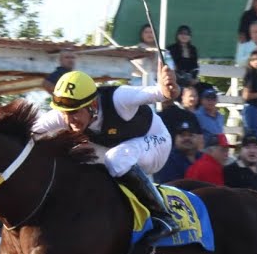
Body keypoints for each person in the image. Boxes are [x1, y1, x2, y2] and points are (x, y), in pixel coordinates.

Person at [35, 66, 181, 240]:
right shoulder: (64, 116)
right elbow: (29, 131)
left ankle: (164, 217)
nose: (69, 119)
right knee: (76, 157)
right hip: (119, 148)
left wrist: (169, 88)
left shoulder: (119, 98)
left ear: (93, 104)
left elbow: (161, 93)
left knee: (116, 158)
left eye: (74, 112)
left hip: (156, 143)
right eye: (65, 112)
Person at [154, 118, 198, 184]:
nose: (187, 138)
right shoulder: (167, 159)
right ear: (175, 138)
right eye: (182, 135)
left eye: (191, 135)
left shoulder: (202, 157)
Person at [240, 50, 257, 140]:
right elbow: (246, 96)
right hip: (251, 108)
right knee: (252, 137)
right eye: (254, 59)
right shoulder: (250, 74)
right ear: (250, 61)